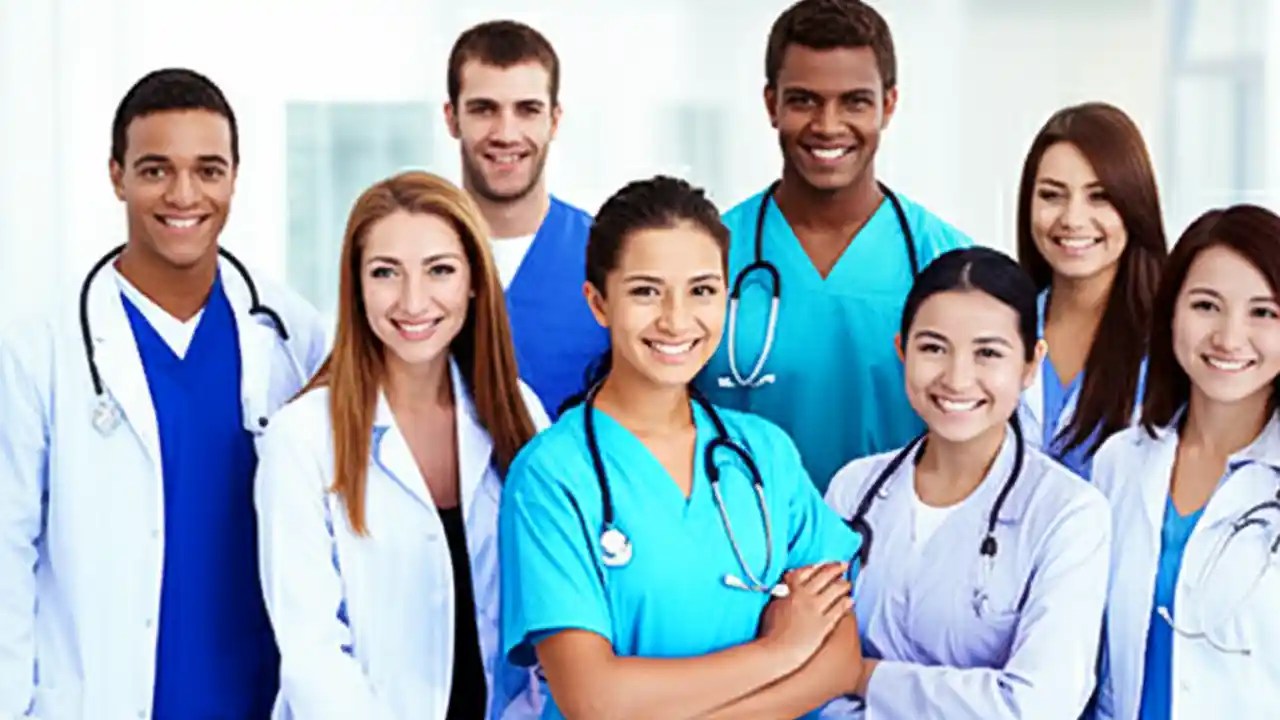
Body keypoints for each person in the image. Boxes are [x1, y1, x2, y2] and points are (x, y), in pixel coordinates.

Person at [0, 68, 328, 719]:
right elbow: (7, 558)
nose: (184, 194)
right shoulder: (42, 346)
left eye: (208, 170)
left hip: (260, 699)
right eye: (155, 170)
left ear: (235, 176)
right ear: (116, 174)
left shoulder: (293, 334)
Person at [499, 176, 867, 719]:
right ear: (598, 303)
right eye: (646, 291)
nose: (676, 319)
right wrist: (781, 649)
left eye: (702, 290)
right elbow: (593, 699)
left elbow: (839, 663)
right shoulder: (553, 476)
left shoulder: (765, 455)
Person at [254, 170, 547, 719]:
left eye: (439, 271)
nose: (414, 301)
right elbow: (312, 653)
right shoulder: (303, 438)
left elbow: (546, 623)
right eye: (386, 273)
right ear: (356, 285)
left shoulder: (519, 414)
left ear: (474, 281)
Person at [696, 0, 972, 492]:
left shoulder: (947, 263)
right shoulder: (708, 254)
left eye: (854, 102)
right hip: (742, 551)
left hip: (898, 551)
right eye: (803, 100)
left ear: (889, 104)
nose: (827, 124)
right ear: (770, 104)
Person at [823, 247, 1111, 719]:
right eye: (933, 348)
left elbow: (1039, 705)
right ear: (902, 350)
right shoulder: (853, 490)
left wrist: (863, 676)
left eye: (988, 354)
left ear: (1030, 363)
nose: (957, 379)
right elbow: (809, 675)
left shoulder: (1069, 513)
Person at [1092, 205, 1280, 720]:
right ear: (1170, 311)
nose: (1228, 337)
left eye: (1263, 313)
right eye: (1206, 305)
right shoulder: (1120, 463)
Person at [444, 19, 608, 419]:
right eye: (484, 110)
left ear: (553, 120)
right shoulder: (411, 258)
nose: (505, 133)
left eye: (527, 110)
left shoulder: (607, 254)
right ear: (452, 119)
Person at [1016, 102, 1167, 480]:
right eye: (1052, 195)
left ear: (1134, 205)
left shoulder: (1171, 345)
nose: (1073, 219)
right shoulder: (1002, 325)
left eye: (1099, 196)